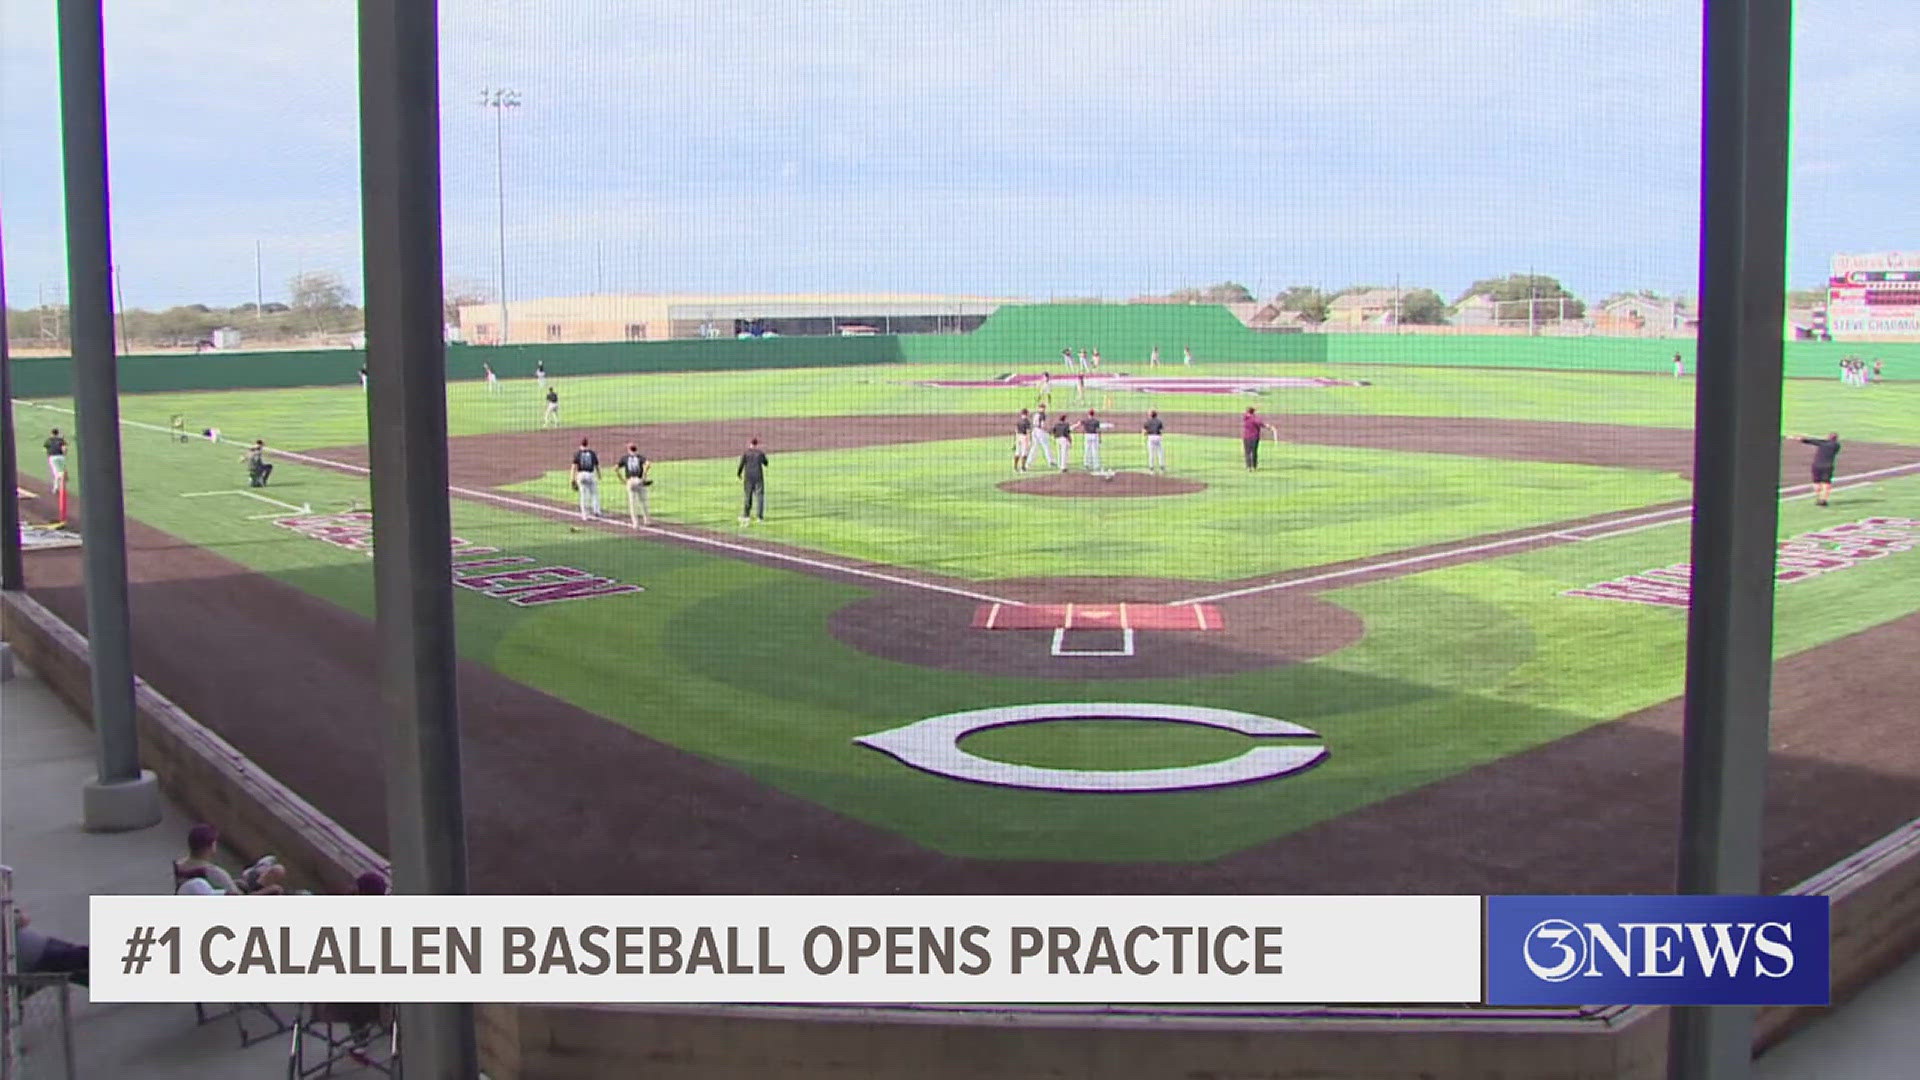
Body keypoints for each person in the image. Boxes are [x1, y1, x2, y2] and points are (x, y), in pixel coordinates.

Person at [12, 909, 90, 989]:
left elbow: (22, 919)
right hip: (35, 956)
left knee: (79, 966)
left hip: (37, 949)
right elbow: (21, 919)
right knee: (82, 961)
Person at [1792, 431, 1842, 507]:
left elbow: (1813, 441)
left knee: (1816, 482)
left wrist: (1802, 439)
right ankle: (1824, 499)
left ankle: (1818, 498)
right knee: (1826, 483)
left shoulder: (1822, 443)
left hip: (1816, 465)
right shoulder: (1836, 445)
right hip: (1827, 466)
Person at [617, 442, 651, 527]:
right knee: (643, 501)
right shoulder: (640, 457)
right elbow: (648, 464)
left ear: (629, 450)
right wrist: (644, 476)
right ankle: (647, 520)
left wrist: (621, 479)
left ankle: (635, 523)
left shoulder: (625, 458)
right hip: (639, 481)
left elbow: (615, 468)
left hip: (630, 481)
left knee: (632, 503)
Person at [737, 437, 769, 525]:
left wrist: (739, 474)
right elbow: (766, 463)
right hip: (758, 477)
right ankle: (760, 517)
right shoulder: (760, 453)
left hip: (748, 477)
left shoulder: (746, 453)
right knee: (760, 497)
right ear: (757, 444)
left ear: (750, 444)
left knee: (748, 496)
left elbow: (741, 464)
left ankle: (746, 515)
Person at [571, 438, 601, 520]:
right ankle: (596, 511)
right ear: (587, 444)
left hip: (581, 475)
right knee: (594, 494)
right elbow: (597, 466)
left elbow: (574, 467)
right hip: (590, 475)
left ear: (580, 444)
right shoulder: (592, 453)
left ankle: (584, 515)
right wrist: (599, 475)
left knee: (583, 495)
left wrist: (572, 479)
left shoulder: (577, 453)